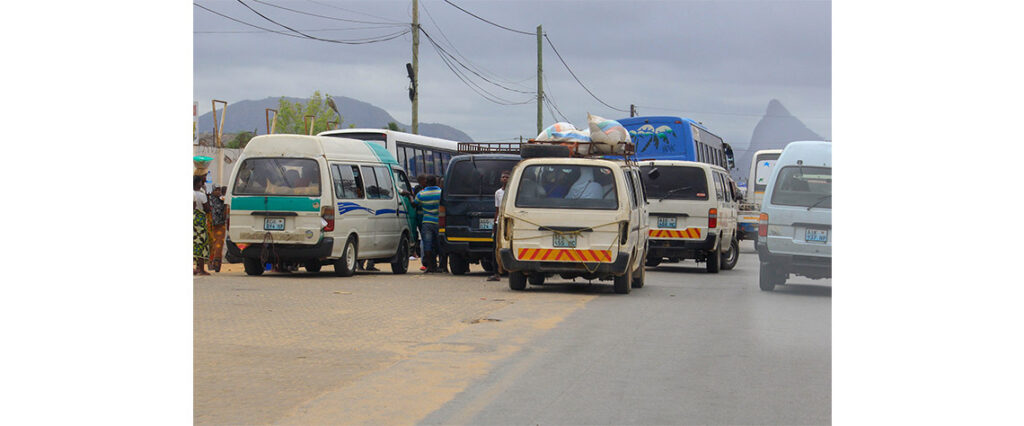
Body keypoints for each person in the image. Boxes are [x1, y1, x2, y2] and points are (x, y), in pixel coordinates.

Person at [413, 175, 442, 273]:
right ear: (435, 182)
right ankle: (442, 266)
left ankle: (430, 267)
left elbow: (414, 204)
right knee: (440, 244)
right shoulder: (441, 193)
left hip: (427, 222)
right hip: (439, 222)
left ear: (427, 183)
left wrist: (408, 196)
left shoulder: (422, 194)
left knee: (427, 245)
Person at [487, 170, 511, 281]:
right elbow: (497, 210)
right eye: (503, 177)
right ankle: (495, 272)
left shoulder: (513, 191)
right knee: (495, 248)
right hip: (499, 223)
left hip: (509, 223)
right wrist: (494, 226)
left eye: (507, 177)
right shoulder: (498, 193)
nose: (504, 179)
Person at [208, 186, 229, 273]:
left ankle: (217, 264)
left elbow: (225, 212)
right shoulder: (209, 200)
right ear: (212, 191)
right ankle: (210, 263)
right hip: (210, 224)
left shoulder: (222, 200)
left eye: (219, 190)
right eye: (216, 190)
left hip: (220, 225)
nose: (218, 192)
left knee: (219, 244)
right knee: (211, 243)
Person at [193, 175, 211, 276]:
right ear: (197, 183)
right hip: (199, 221)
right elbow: (207, 209)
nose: (202, 184)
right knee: (201, 243)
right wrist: (207, 195)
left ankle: (195, 268)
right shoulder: (201, 195)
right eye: (201, 182)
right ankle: (201, 269)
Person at [435, 175, 449, 273]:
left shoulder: (441, 194)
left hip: (443, 223)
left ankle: (443, 265)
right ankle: (443, 265)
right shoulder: (445, 194)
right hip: (445, 222)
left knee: (441, 245)